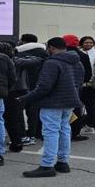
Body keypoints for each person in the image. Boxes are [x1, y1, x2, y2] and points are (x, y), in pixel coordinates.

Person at [19, 37, 86, 178]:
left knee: (50, 132)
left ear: (51, 48)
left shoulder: (52, 63)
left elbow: (44, 87)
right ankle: (63, 161)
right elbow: (79, 82)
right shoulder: (76, 61)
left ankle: (47, 165)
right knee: (64, 130)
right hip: (69, 101)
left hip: (52, 103)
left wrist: (25, 99)